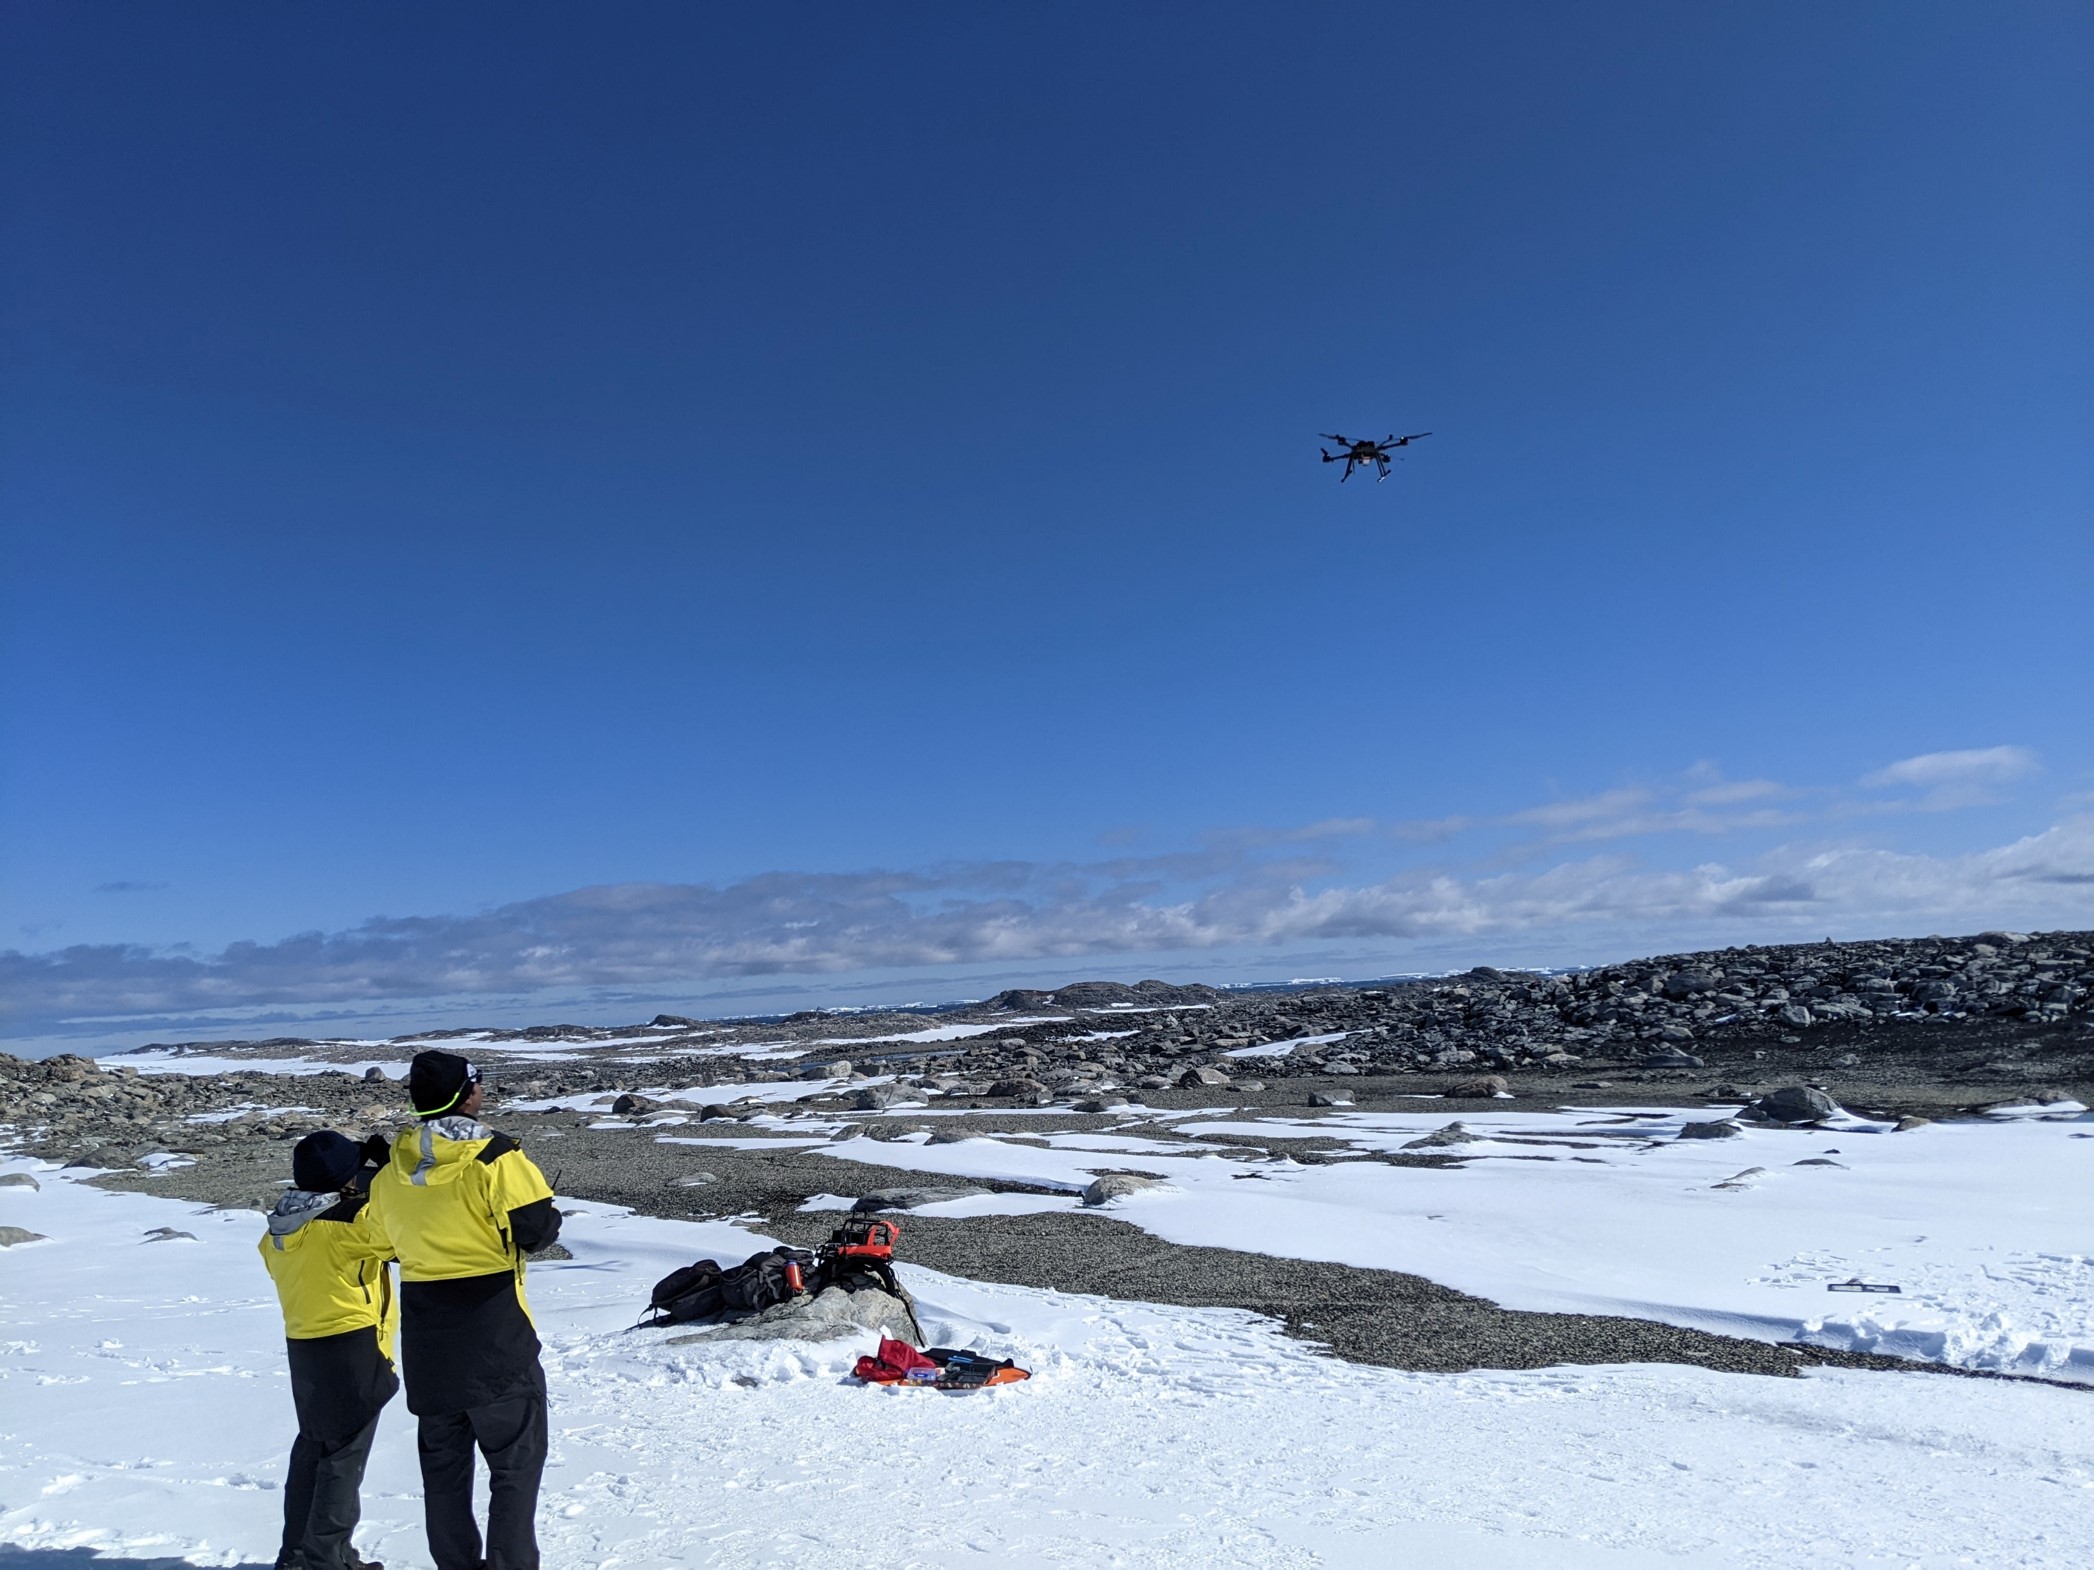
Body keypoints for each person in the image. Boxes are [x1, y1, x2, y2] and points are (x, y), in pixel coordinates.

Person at [364, 1050, 561, 1570]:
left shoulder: (390, 1173)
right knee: (515, 1469)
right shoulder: (495, 1158)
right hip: (496, 1330)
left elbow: (381, 1244)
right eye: (478, 1082)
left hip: (429, 1339)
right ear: (467, 1094)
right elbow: (538, 1232)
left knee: (444, 1476)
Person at [258, 1128, 398, 1570]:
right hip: (354, 1346)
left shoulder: (279, 1229)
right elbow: (403, 1231)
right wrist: (392, 1169)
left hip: (305, 1346)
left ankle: (298, 1554)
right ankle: (327, 1560)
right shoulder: (352, 1225)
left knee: (313, 1450)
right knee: (343, 1458)